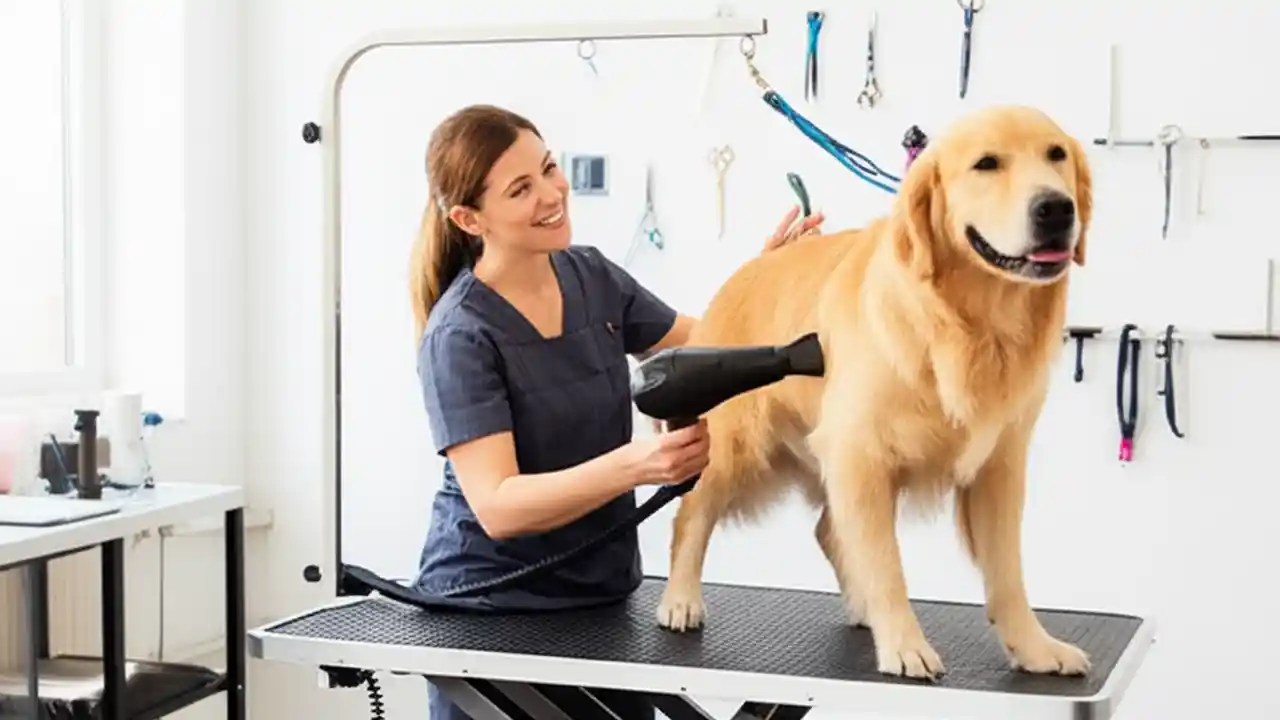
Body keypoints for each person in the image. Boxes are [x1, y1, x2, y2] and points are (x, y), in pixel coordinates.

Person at [406, 104, 824, 720]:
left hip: (600, 604)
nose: (552, 194)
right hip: (490, 617)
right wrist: (637, 466)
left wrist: (765, 280)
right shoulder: (461, 335)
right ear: (470, 218)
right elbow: (497, 505)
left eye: (549, 169)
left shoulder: (592, 277)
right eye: (522, 189)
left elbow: (709, 342)